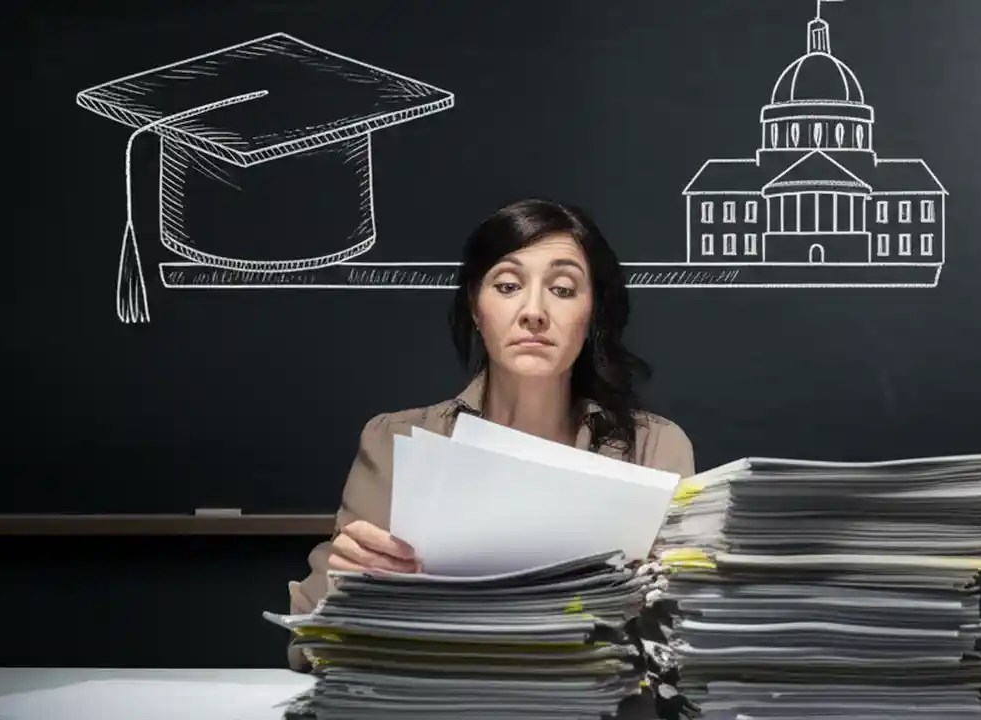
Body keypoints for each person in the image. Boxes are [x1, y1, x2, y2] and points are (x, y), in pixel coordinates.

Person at [286, 198, 695, 710]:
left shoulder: (655, 448)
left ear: (591, 317)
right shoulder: (397, 441)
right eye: (506, 286)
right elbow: (308, 645)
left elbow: (684, 646)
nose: (533, 312)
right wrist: (351, 590)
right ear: (476, 310)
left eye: (563, 290)